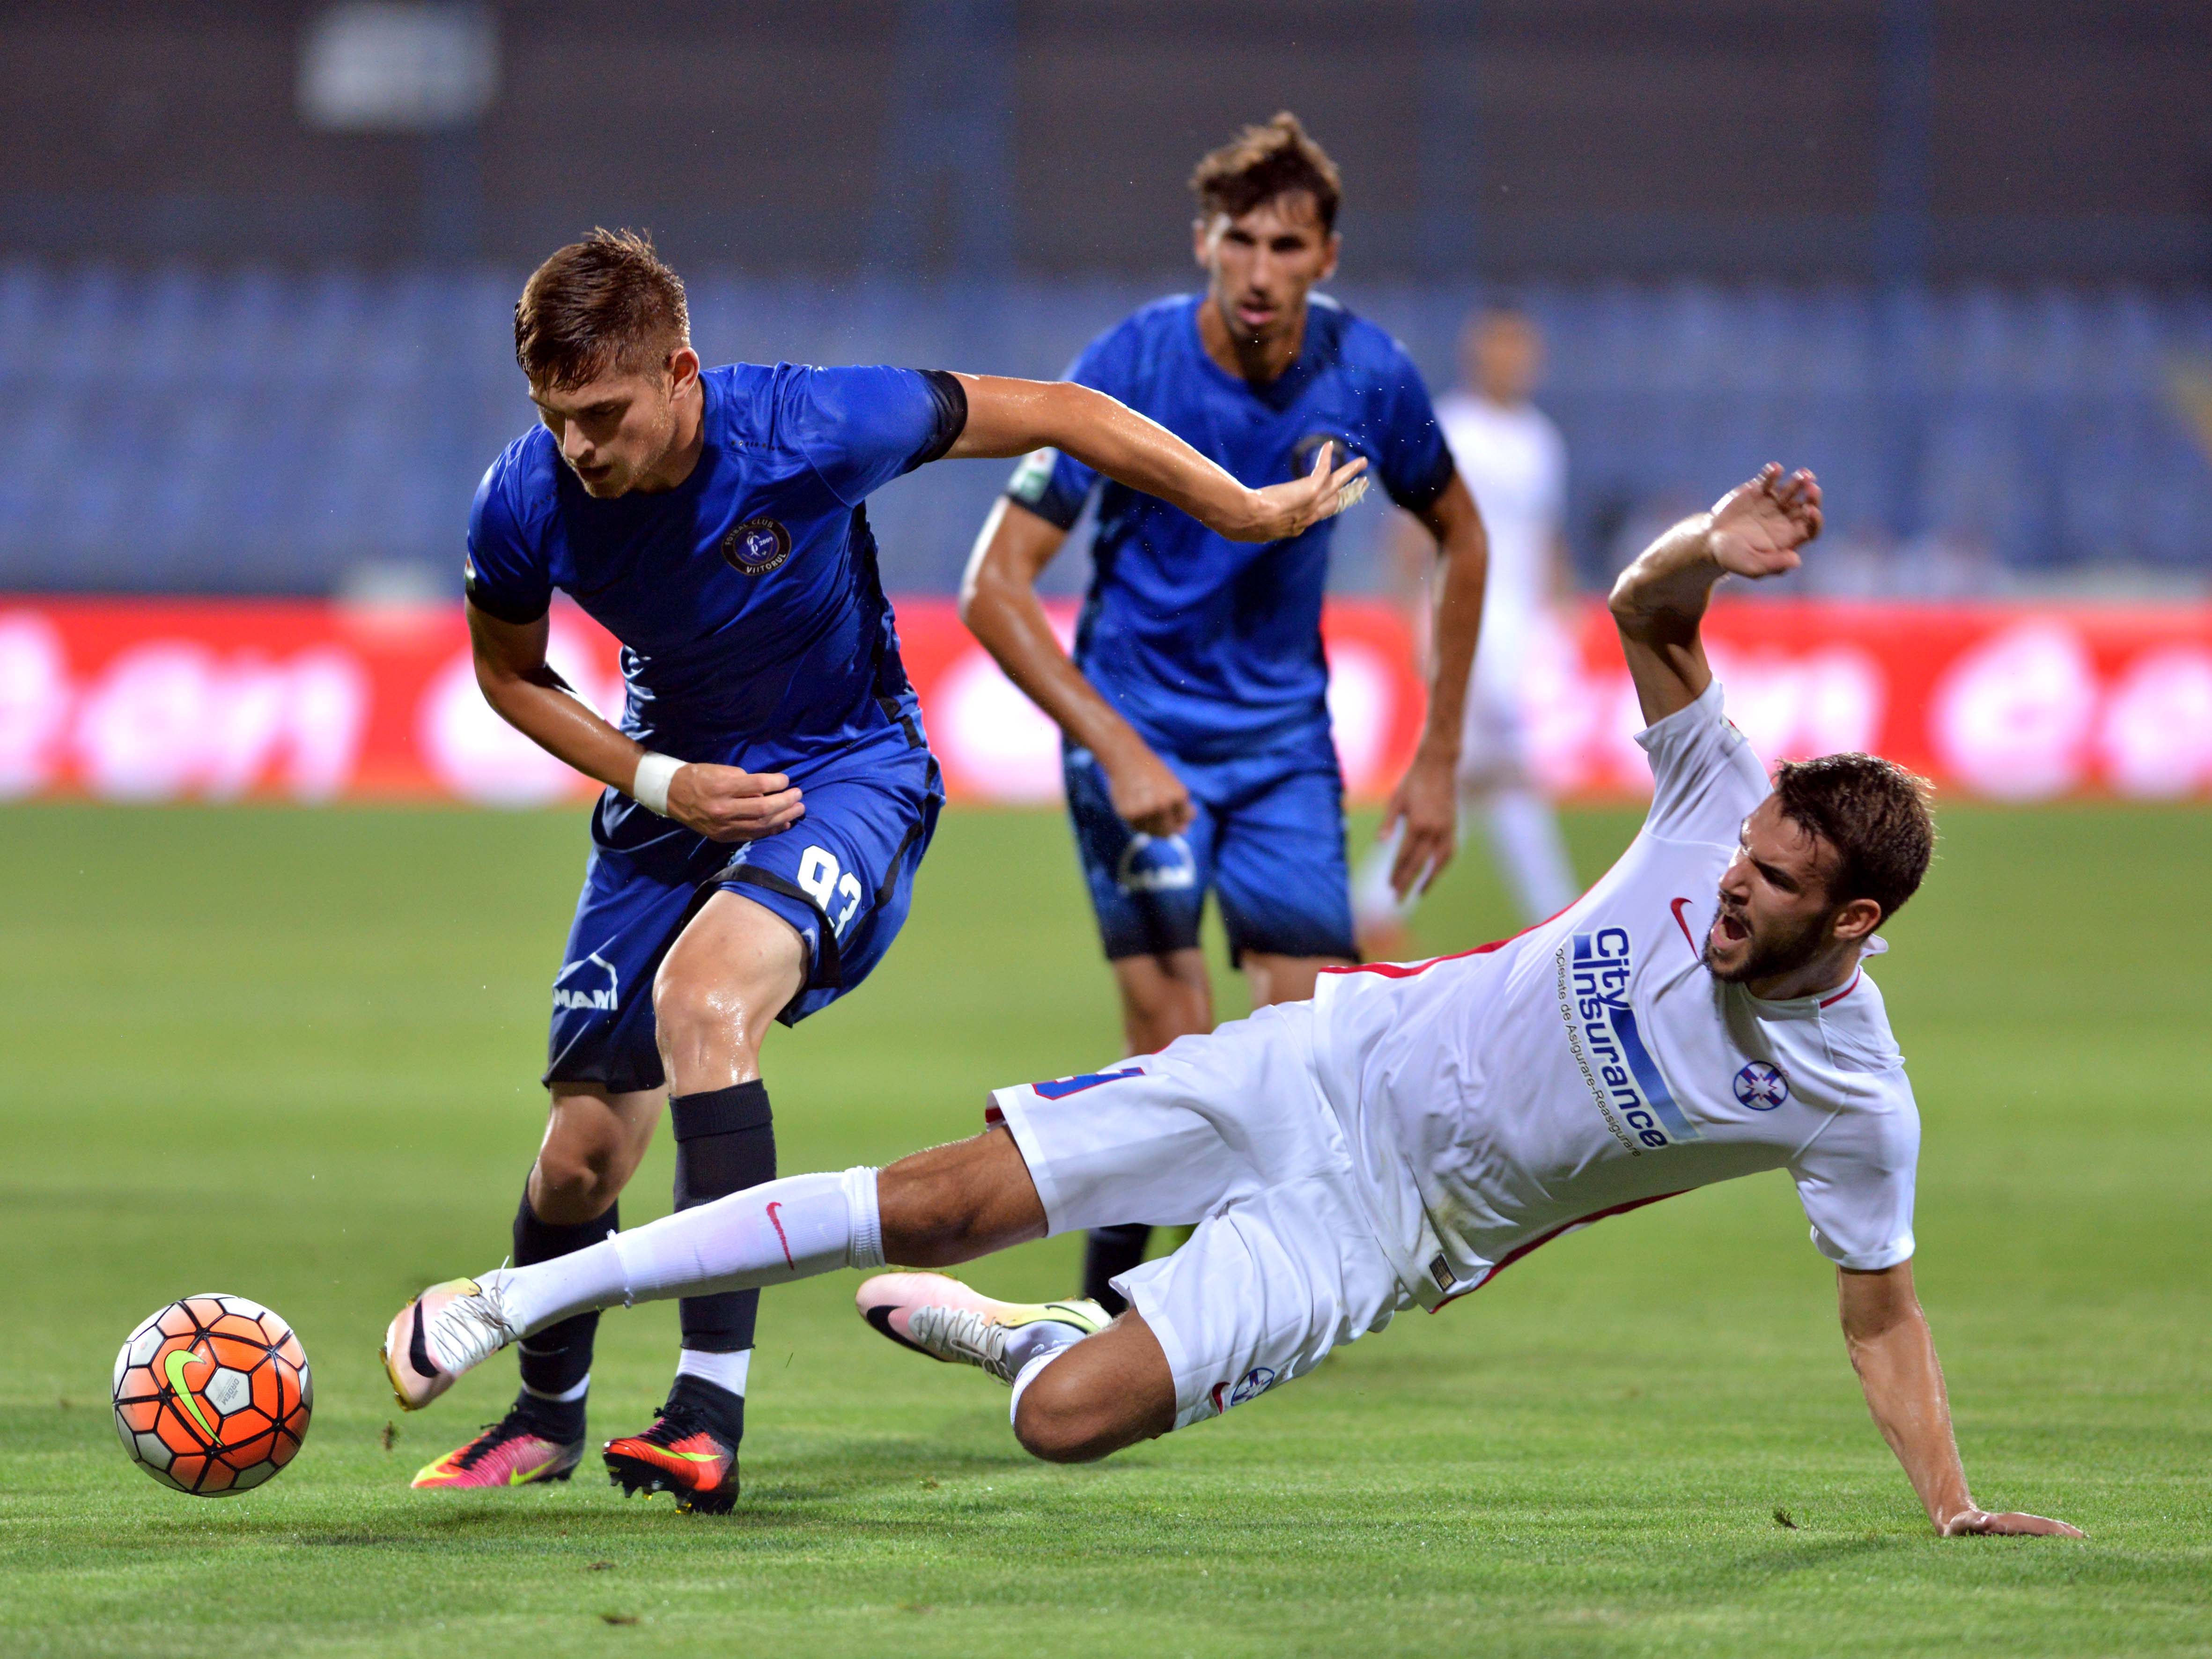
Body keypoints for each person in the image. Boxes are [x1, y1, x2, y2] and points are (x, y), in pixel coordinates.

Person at [385, 464, 2082, 1540]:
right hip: (1323, 1060)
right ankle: (511, 1300)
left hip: (1385, 1237)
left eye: (1778, 889)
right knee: (941, 1198)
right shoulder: (1717, 798)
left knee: (1061, 1424)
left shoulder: (1854, 1098)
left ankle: (1052, 1342)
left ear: (1851, 918)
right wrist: (1712, 543)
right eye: (1746, 857)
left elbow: (1879, 1311)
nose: (1732, 887)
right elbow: (1648, 613)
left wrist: (1949, 1510)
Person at [408, 228, 1367, 1511]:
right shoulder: (524, 497)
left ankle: (705, 1412)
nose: (578, 445)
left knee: (706, 1004)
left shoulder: (812, 424)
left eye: (600, 413)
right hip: (670, 787)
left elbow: (1064, 412)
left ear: (680, 372)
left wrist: (1239, 508)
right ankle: (545, 1412)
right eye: (554, 416)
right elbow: (508, 673)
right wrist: (656, 780)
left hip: (842, 772)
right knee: (582, 1156)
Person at [959, 113, 1488, 1310]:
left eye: (1286, 245)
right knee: (1174, 1042)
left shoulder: (1370, 375)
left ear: (1326, 257)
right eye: (1239, 240)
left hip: (1284, 747)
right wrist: (1117, 745)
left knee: (1306, 1047)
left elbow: (1463, 532)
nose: (1259, 271)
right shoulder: (1128, 367)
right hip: (1138, 730)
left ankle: (1219, 1297)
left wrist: (1439, 751)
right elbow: (994, 588)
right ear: (1203, 241)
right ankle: (1113, 1306)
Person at [1355, 303, 1580, 949]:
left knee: (1468, 766)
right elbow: (1409, 532)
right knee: (1500, 764)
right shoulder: (1452, 428)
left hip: (1517, 627)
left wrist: (1561, 610)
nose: (1515, 364)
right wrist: (1413, 619)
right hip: (1459, 614)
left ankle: (1377, 903)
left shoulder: (1541, 439)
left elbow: (1545, 534)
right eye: (1503, 351)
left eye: (1523, 352)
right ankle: (1558, 915)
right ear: (1479, 358)